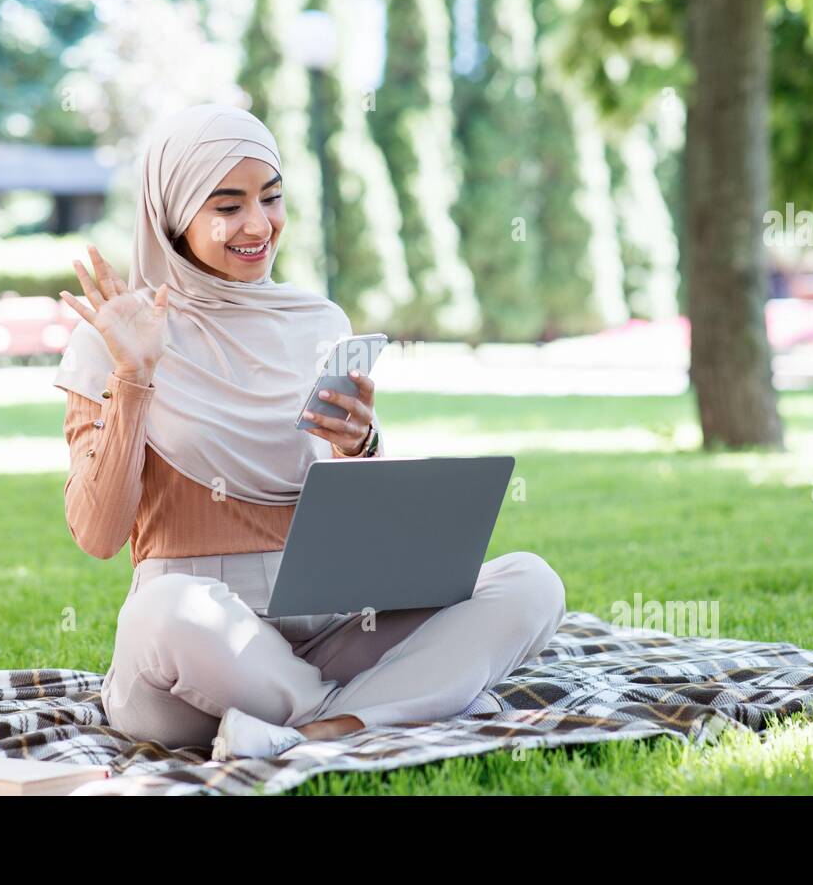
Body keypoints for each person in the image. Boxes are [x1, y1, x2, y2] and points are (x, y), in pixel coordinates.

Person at [53, 103, 566, 760]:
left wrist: (364, 450)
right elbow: (98, 532)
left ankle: (317, 732)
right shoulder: (116, 337)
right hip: (198, 660)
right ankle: (389, 708)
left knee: (531, 582)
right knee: (165, 612)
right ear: (175, 217)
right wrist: (133, 376)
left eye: (270, 198)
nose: (258, 225)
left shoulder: (318, 321)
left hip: (331, 630)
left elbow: (356, 527)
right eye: (227, 205)